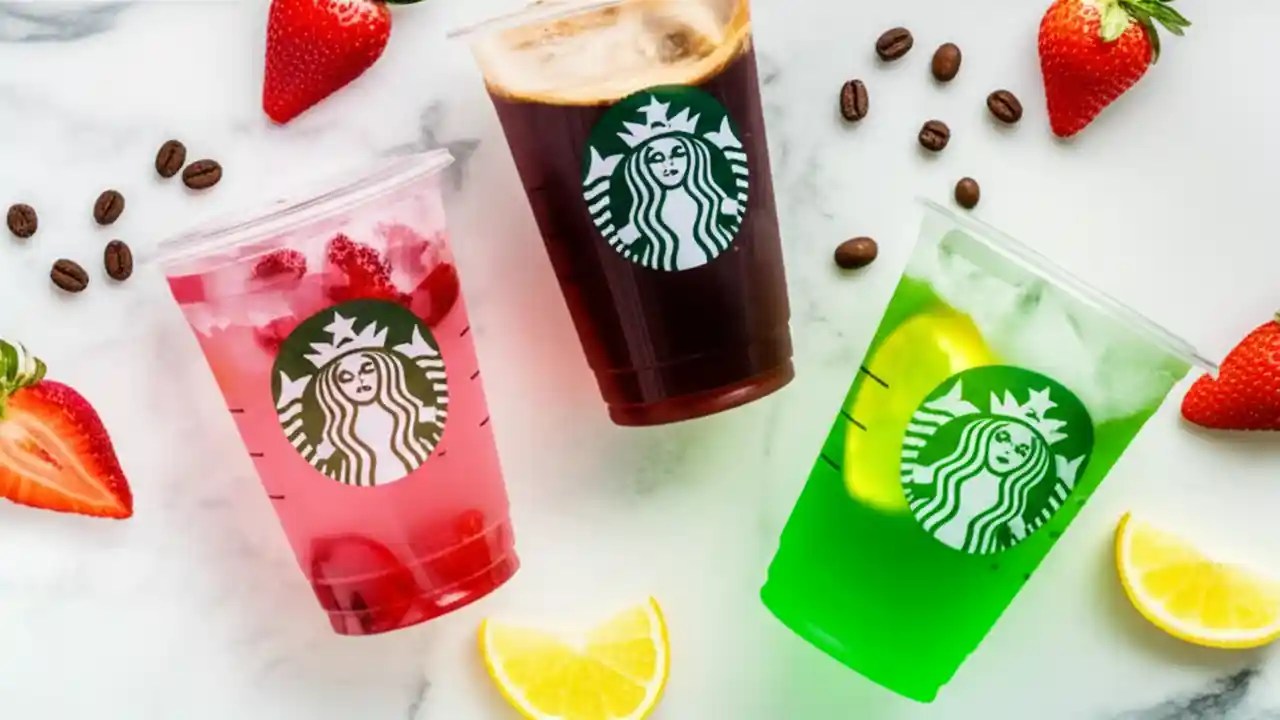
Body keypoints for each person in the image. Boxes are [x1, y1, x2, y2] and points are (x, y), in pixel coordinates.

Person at [905, 416, 1051, 554]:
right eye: (1003, 438)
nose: (1008, 450)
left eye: (1021, 451)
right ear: (985, 435)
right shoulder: (945, 471)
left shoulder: (1012, 506)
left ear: (1028, 464)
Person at [309, 349, 441, 487]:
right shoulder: (336, 431)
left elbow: (434, 415)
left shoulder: (409, 409)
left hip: (423, 474)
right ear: (335, 389)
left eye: (367, 370)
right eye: (347, 378)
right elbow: (322, 454)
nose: (360, 379)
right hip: (361, 484)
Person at [614, 132, 742, 271]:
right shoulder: (641, 219)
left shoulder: (721, 203)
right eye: (656, 158)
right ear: (643, 168)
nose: (668, 163)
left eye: (678, 154)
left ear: (693, 157)